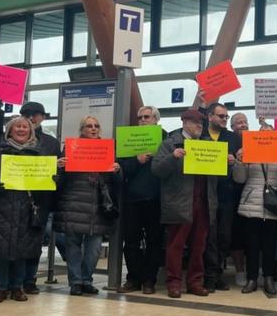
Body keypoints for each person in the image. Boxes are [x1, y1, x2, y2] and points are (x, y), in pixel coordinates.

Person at [0, 99, 61, 294]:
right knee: (4, 246)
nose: (28, 121)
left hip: (35, 203)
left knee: (29, 244)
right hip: (4, 204)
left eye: (33, 115)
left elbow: (52, 170)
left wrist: (54, 177)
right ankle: (4, 286)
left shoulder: (49, 144)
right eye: (24, 116)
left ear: (42, 118)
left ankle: (26, 281)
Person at [0, 117, 44, 303]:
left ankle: (17, 288)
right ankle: (0, 288)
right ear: (9, 131)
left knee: (22, 251)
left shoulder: (37, 154)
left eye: (25, 127)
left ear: (30, 131)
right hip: (0, 208)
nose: (21, 130)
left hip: (26, 208)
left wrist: (51, 178)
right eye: (17, 127)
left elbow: (43, 181)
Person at [152, 110, 219, 298]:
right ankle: (173, 282)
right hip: (180, 203)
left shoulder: (209, 145)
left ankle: (195, 282)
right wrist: (172, 157)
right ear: (184, 123)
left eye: (202, 123)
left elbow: (217, 175)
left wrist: (227, 163)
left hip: (204, 202)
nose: (200, 126)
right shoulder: (169, 144)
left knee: (199, 245)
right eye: (196, 122)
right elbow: (156, 170)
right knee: (176, 245)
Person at [54, 116, 120, 296]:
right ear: (81, 130)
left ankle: (86, 279)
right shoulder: (70, 148)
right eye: (89, 126)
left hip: (98, 206)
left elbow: (117, 183)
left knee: (94, 249)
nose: (93, 129)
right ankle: (76, 282)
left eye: (96, 126)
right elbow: (58, 181)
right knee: (73, 247)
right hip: (73, 203)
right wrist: (59, 167)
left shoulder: (108, 150)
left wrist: (116, 171)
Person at [233, 125, 277, 295]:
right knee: (251, 244)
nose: (266, 138)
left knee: (270, 245)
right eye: (263, 135)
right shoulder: (248, 152)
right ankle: (252, 278)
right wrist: (240, 161)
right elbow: (239, 179)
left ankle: (268, 277)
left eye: (270, 135)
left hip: (272, 206)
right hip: (251, 204)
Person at [118, 106, 166, 294]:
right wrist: (137, 160)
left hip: (156, 198)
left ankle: (149, 280)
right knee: (131, 242)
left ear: (156, 119)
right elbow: (121, 168)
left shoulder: (166, 138)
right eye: (140, 117)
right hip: (133, 199)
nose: (143, 120)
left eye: (147, 116)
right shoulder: (129, 139)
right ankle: (133, 279)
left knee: (154, 242)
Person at [200, 102, 239, 292]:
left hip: (226, 193)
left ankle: (217, 273)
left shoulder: (232, 137)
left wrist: (235, 160)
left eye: (226, 116)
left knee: (224, 236)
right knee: (208, 236)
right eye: (221, 116)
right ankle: (209, 276)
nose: (224, 119)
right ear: (210, 116)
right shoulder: (201, 136)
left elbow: (241, 162)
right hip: (204, 193)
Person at [229, 112, 248, 287]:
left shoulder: (257, 140)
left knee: (254, 235)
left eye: (245, 122)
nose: (243, 125)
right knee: (236, 235)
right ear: (232, 126)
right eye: (238, 123)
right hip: (233, 194)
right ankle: (240, 271)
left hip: (255, 193)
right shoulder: (229, 141)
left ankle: (255, 270)